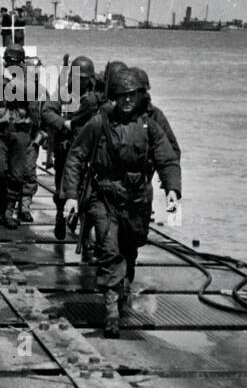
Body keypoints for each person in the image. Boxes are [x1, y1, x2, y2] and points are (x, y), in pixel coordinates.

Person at [63, 68, 181, 338]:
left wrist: (172, 189)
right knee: (109, 249)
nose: (127, 100)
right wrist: (70, 195)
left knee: (131, 244)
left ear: (141, 95)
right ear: (114, 96)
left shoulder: (150, 125)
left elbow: (167, 158)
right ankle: (112, 311)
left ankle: (123, 285)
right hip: (104, 196)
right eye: (122, 95)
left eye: (133, 95)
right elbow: (76, 157)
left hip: (137, 197)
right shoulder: (99, 122)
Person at [0, 44, 43, 227]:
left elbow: (34, 101)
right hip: (0, 132)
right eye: (9, 62)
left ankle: (8, 210)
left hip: (21, 133)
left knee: (17, 175)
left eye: (14, 62)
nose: (11, 65)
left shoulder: (29, 79)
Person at [41, 55, 101, 239]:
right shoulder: (64, 93)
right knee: (62, 190)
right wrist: (64, 124)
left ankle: (85, 230)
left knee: (88, 192)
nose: (79, 82)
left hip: (88, 152)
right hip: (66, 150)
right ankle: (60, 216)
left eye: (83, 79)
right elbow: (47, 111)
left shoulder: (95, 98)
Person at [126, 67, 180, 161]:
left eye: (137, 92)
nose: (129, 98)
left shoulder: (155, 115)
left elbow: (173, 151)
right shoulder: (113, 112)